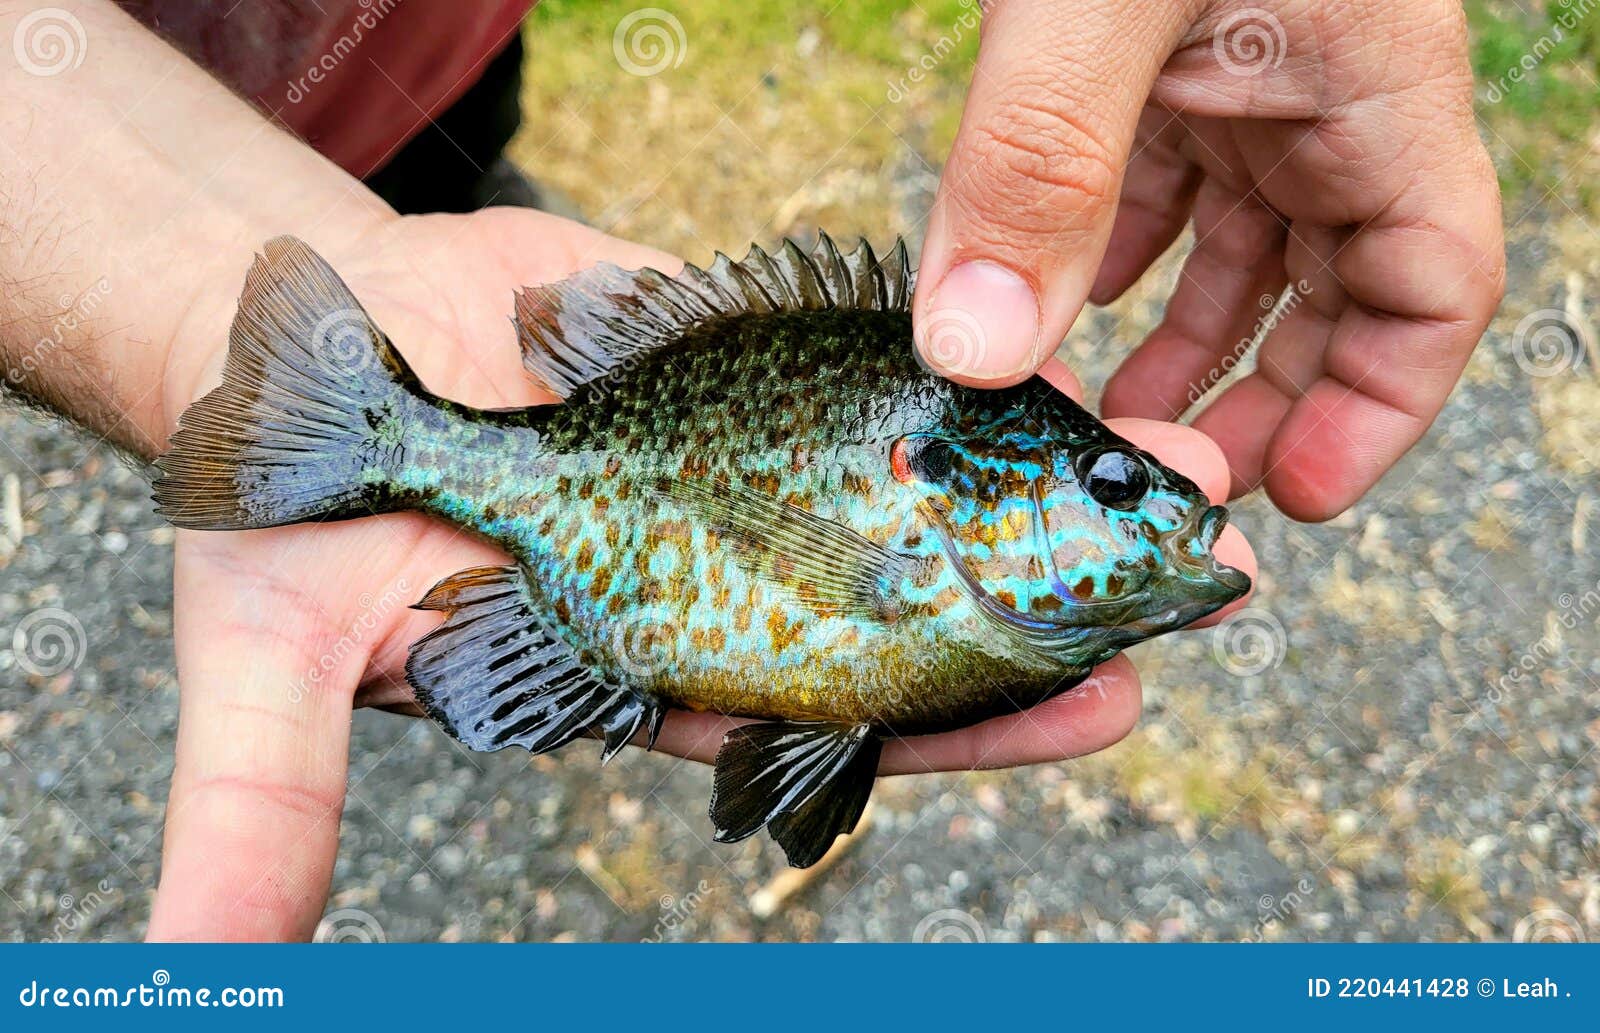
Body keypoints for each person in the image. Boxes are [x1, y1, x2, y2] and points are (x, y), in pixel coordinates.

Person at [0, 1, 1501, 941]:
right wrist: (171, 292)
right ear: (974, 484)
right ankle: (366, 417)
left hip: (431, 37)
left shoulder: (996, 591)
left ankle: (409, 267)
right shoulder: (940, 555)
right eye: (1117, 489)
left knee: (457, 126)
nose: (1163, 509)